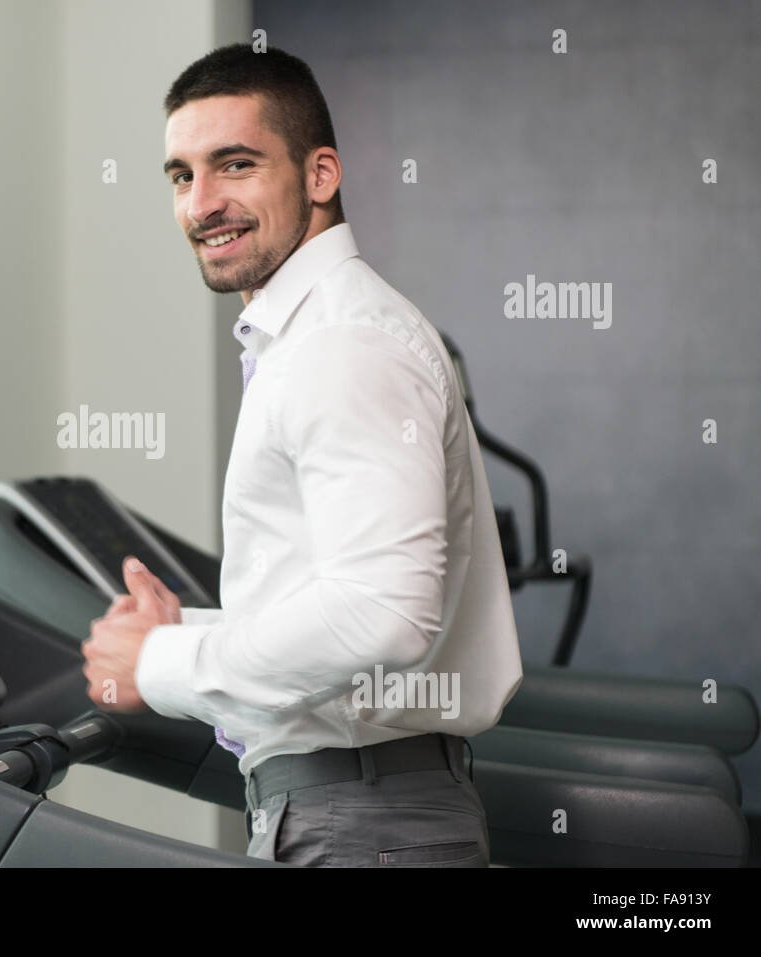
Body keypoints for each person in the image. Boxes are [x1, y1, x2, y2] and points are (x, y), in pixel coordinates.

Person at [79, 43, 523, 867]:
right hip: (359, 809)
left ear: (320, 175)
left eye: (234, 165)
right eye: (181, 175)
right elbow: (342, 592)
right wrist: (191, 631)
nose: (201, 204)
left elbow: (383, 611)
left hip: (360, 823)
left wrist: (162, 661)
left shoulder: (342, 342)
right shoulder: (314, 335)